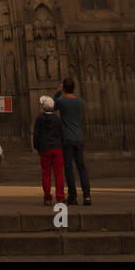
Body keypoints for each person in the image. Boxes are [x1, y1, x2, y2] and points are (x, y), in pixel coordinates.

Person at [55, 78, 91, 206]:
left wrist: (59, 91)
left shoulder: (61, 101)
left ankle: (73, 197)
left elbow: (53, 106)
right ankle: (87, 196)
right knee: (82, 168)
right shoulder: (80, 101)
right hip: (79, 137)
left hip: (67, 138)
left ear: (64, 87)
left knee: (69, 168)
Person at [33, 96, 64, 205]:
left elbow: (36, 135)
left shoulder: (39, 119)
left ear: (43, 107)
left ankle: (47, 198)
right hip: (57, 148)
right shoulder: (57, 119)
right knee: (59, 174)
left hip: (45, 149)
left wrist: (37, 147)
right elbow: (62, 134)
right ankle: (60, 197)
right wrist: (61, 145)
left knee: (46, 173)